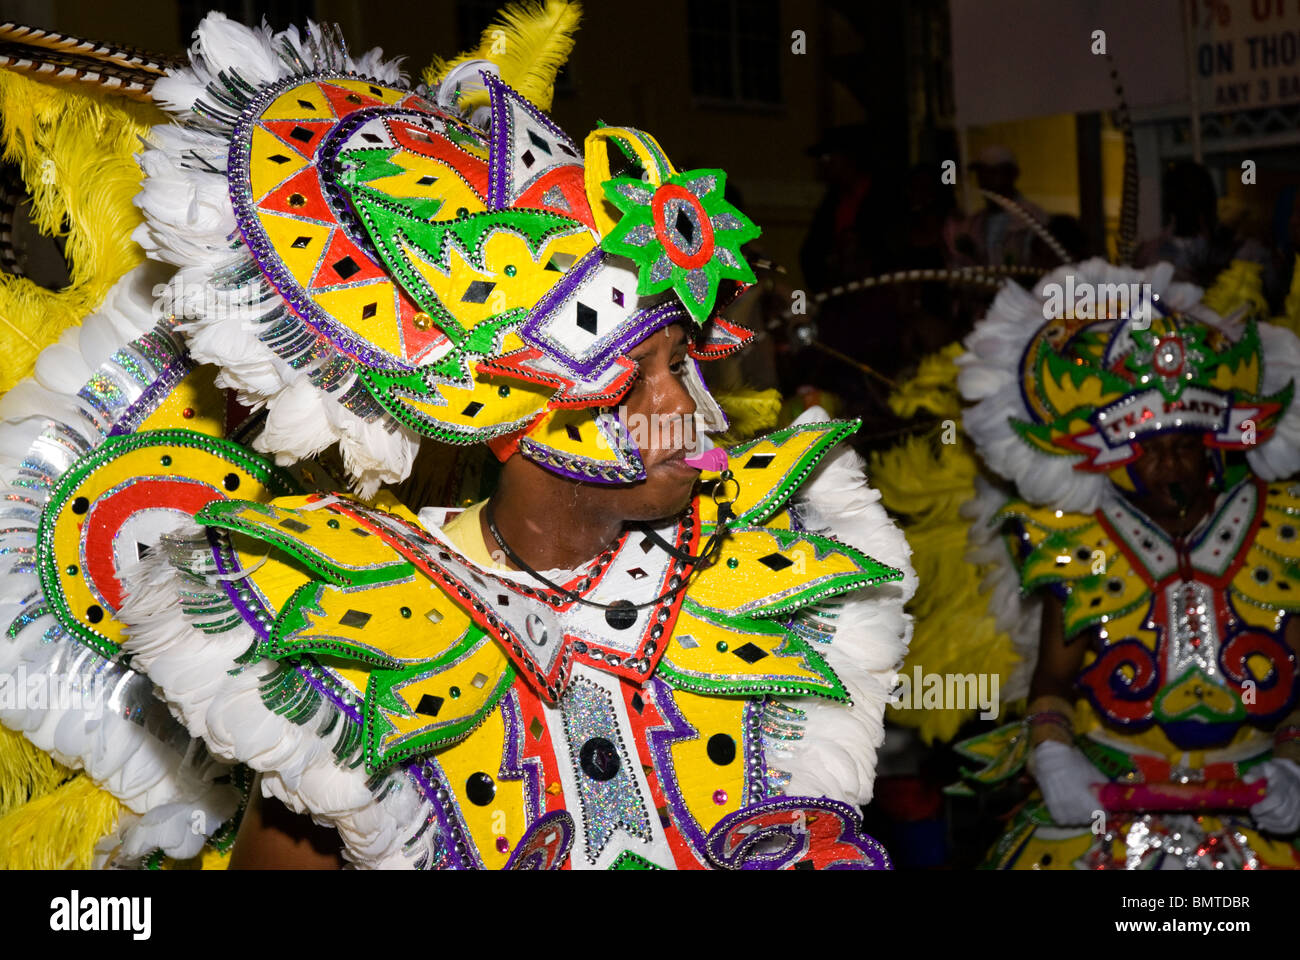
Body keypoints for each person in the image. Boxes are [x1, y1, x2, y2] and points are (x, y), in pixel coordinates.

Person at [0, 3, 915, 870]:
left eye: (689, 365)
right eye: (643, 375)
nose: (696, 413)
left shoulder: (746, 572)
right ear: (521, 410)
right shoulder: (362, 622)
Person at [937, 259, 1300, 868]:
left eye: (1185, 447)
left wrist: (1292, 766)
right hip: (1113, 807)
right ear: (1116, 459)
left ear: (1213, 447)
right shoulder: (1080, 543)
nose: (1170, 468)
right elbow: (1053, 683)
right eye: (1149, 452)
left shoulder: (1282, 530)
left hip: (1257, 805)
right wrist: (1054, 756)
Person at [947, 145, 1048, 268]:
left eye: (993, 172)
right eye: (981, 173)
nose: (985, 180)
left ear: (1012, 175)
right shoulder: (973, 223)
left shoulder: (1034, 218)